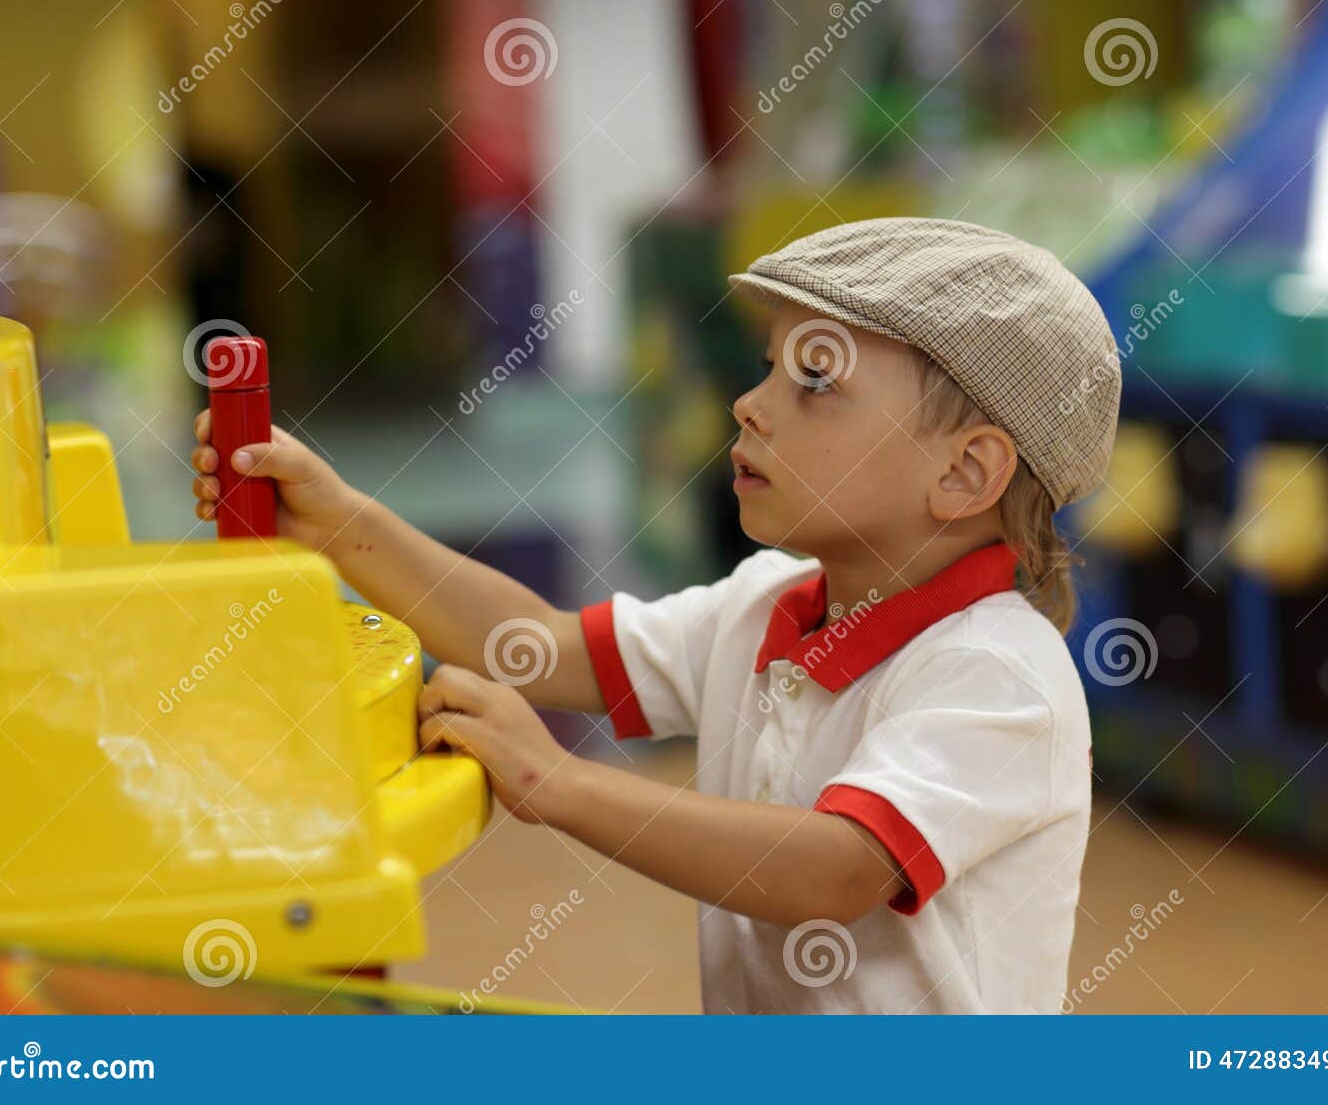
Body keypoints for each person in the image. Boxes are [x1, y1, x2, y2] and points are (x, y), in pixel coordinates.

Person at [190, 217, 1120, 1013]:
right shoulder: (765, 607)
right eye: (767, 370)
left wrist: (558, 784)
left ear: (964, 473)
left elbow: (834, 869)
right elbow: (541, 648)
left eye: (817, 382)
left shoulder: (996, 673)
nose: (749, 405)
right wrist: (341, 524)